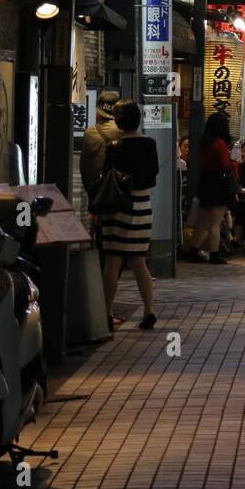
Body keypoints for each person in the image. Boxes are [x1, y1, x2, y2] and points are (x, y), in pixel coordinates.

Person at [100, 100, 160, 331]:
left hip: (118, 206)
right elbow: (153, 174)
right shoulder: (150, 144)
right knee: (139, 261)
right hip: (142, 203)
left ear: (118, 121)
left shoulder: (114, 146)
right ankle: (149, 310)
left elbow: (106, 177)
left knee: (113, 261)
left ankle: (106, 312)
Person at [186, 113, 235, 265]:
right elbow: (224, 165)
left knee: (203, 222)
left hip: (205, 182)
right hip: (218, 183)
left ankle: (194, 251)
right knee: (216, 222)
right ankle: (215, 254)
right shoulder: (220, 144)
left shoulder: (203, 142)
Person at [80, 90, 122, 260]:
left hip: (98, 194)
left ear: (98, 111)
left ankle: (104, 271)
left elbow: (85, 168)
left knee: (101, 239)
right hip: (119, 193)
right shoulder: (123, 133)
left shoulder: (90, 133)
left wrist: (92, 195)